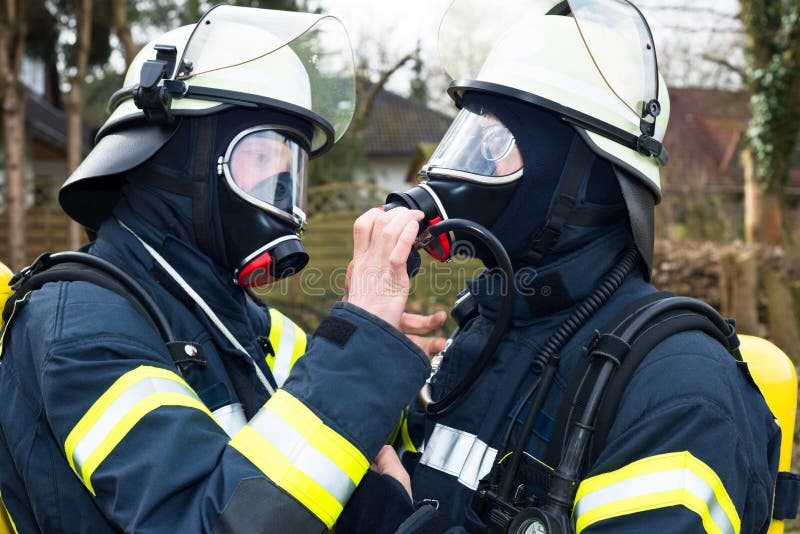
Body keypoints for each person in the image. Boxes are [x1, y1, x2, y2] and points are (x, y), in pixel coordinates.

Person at [338, 1, 785, 532]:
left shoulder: (679, 389)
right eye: (472, 139)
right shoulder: (481, 335)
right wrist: (369, 365)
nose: (467, 168)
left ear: (585, 177)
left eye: (497, 142)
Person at [0, 5, 443, 533]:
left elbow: (317, 447)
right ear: (178, 159)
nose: (281, 198)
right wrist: (360, 350)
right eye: (260, 159)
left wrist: (376, 353)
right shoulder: (81, 330)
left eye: (290, 175)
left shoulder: (247, 321)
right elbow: (210, 523)